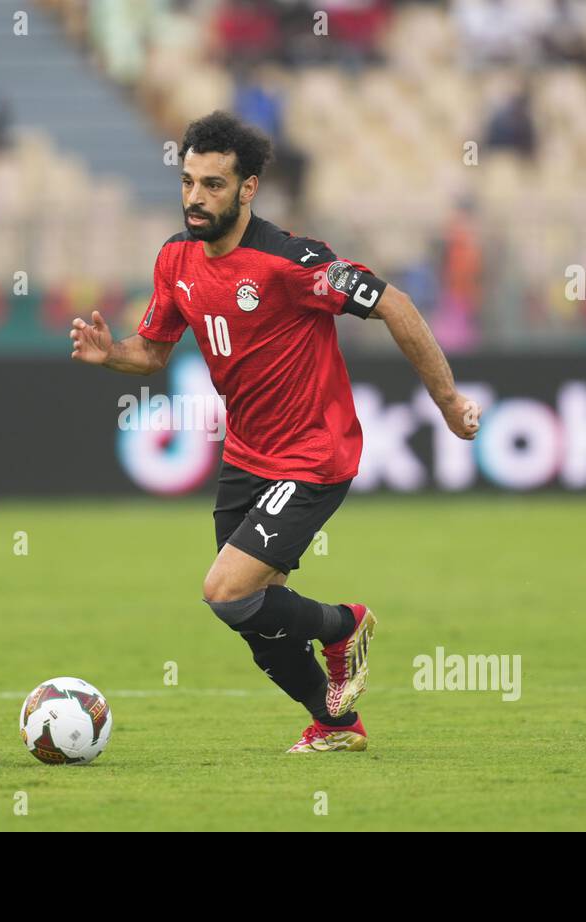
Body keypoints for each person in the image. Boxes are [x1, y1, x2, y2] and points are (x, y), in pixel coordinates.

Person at [69, 111, 480, 753]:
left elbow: (393, 303)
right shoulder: (175, 258)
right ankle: (336, 725)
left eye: (212, 184)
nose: (195, 198)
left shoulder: (293, 262)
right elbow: (151, 351)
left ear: (249, 188)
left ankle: (344, 625)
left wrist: (449, 401)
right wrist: (109, 353)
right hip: (246, 455)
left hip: (314, 455)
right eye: (188, 182)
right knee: (254, 618)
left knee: (224, 590)